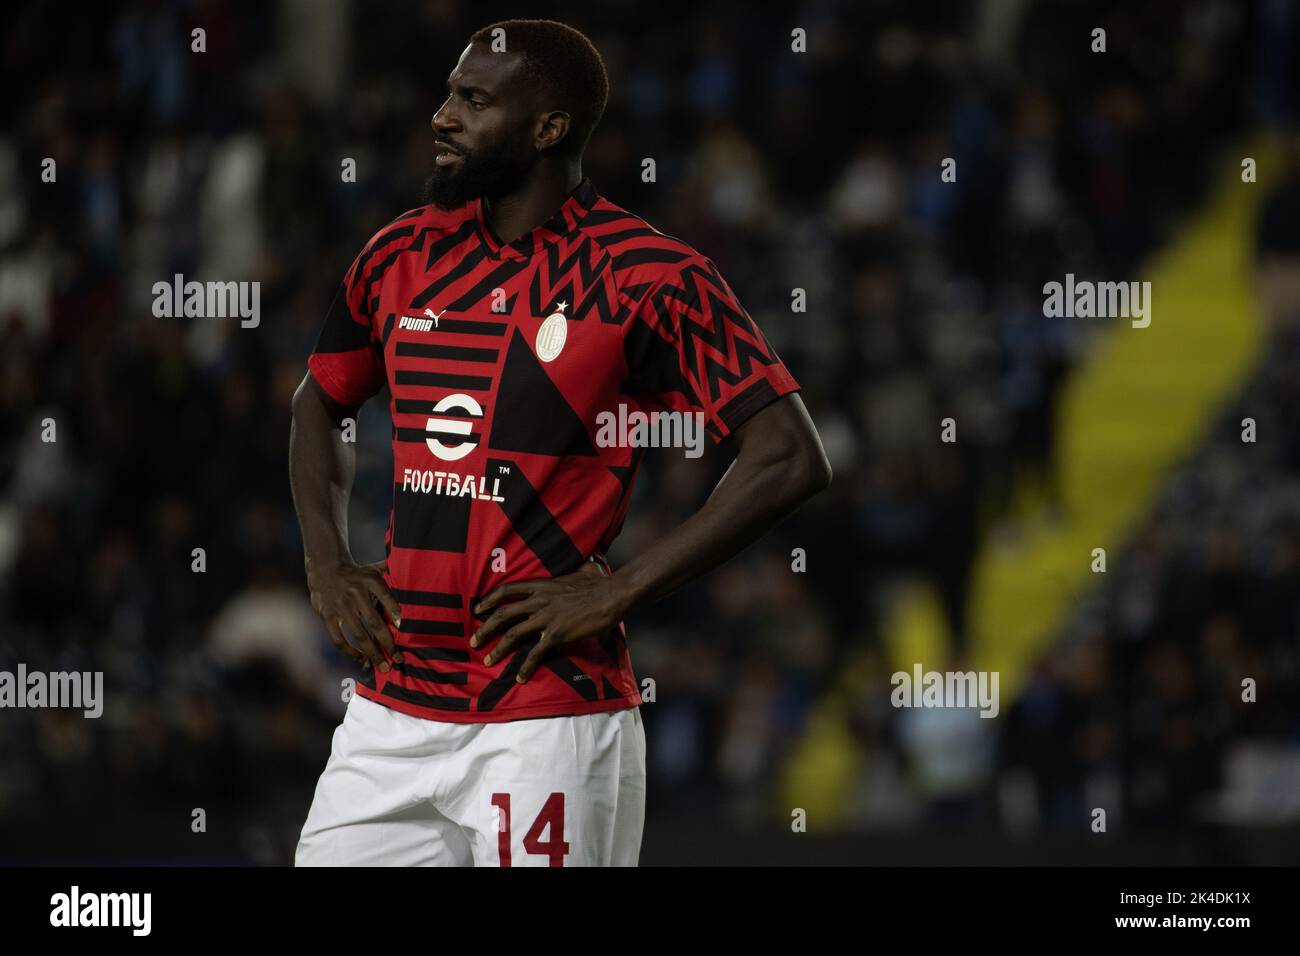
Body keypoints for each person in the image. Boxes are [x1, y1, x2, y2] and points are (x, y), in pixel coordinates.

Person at [290, 18, 830, 866]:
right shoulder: (397, 254)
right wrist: (326, 565)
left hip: (548, 718)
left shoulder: (650, 276)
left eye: (473, 99)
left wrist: (618, 591)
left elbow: (791, 454)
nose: (441, 115)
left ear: (549, 129)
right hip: (391, 714)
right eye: (447, 92)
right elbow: (318, 405)